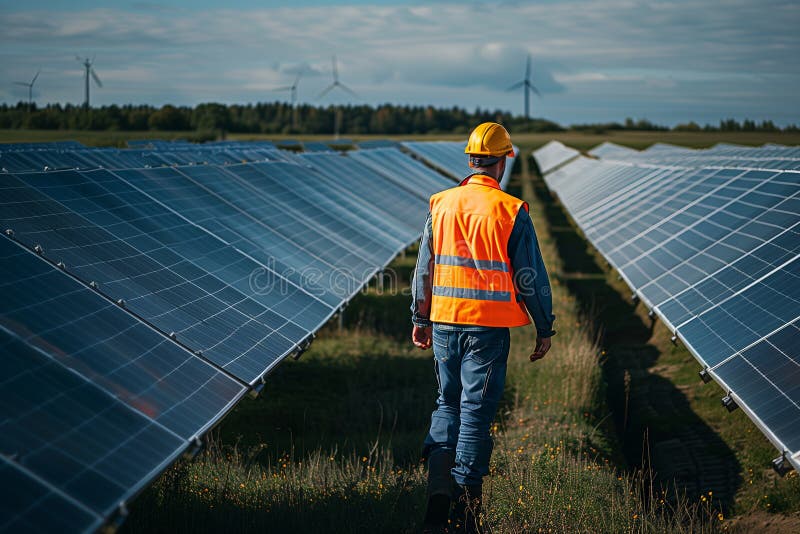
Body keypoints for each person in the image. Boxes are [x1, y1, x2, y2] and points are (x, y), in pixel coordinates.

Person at [410, 122, 555, 533]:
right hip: (487, 330)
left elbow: (425, 268)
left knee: (446, 404)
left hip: (443, 323)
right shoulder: (510, 211)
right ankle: (467, 512)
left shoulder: (441, 204)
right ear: (503, 161)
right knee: (475, 413)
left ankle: (439, 487)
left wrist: (420, 318)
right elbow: (530, 276)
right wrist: (544, 327)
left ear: (471, 160)